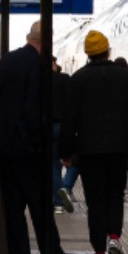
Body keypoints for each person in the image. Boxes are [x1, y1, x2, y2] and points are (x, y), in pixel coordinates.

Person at [0, 21, 87, 254]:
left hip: (5, 147)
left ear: (28, 37)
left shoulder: (7, 60)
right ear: (47, 42)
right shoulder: (40, 66)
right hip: (30, 149)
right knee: (41, 206)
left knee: (13, 207)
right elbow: (37, 109)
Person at [64, 30, 128, 254]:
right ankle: (115, 239)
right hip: (119, 149)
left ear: (88, 54)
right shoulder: (126, 77)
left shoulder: (78, 79)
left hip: (89, 151)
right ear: (108, 51)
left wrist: (66, 151)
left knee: (95, 200)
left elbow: (71, 119)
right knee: (115, 196)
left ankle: (99, 252)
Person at [52, 57, 80, 213]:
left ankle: (58, 197)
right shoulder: (64, 79)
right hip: (61, 126)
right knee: (67, 162)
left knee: (52, 167)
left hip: (41, 128)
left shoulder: (37, 79)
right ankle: (60, 198)